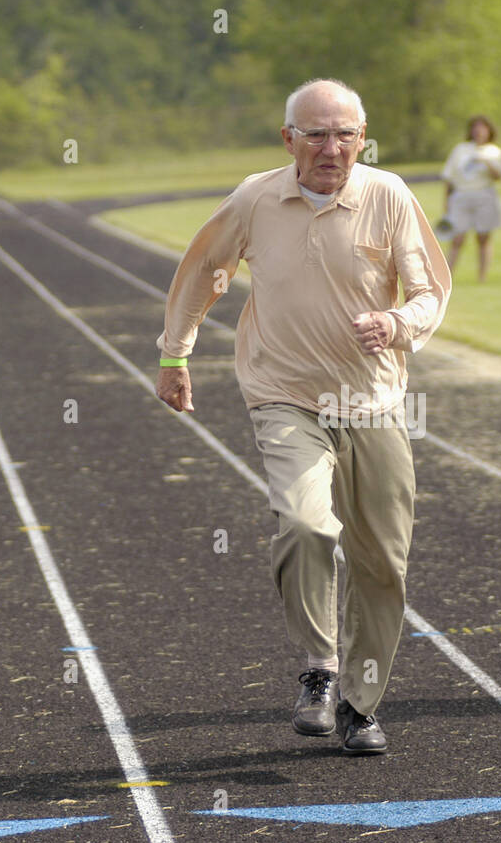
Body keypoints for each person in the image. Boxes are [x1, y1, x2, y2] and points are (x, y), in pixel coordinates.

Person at [156, 79, 450, 754]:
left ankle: (360, 705)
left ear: (363, 136)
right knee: (303, 521)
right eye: (315, 133)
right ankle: (319, 667)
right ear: (287, 138)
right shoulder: (257, 197)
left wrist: (398, 322)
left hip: (372, 401)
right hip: (285, 394)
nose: (331, 147)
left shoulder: (390, 196)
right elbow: (205, 269)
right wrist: (176, 354)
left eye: (345, 133)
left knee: (382, 564)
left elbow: (431, 290)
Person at [440, 115, 501, 282]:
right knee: (457, 238)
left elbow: (499, 176)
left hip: (484, 196)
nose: (478, 131)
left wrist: (486, 162)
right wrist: (446, 201)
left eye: (482, 128)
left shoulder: (495, 151)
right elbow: (449, 177)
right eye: (475, 127)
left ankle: (482, 277)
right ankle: (447, 276)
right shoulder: (460, 149)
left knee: (483, 237)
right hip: (461, 196)